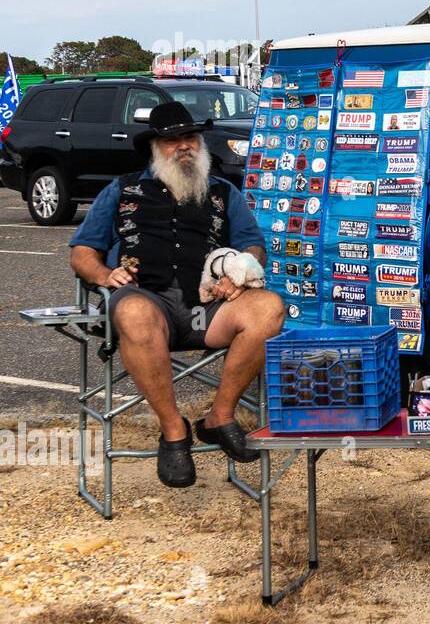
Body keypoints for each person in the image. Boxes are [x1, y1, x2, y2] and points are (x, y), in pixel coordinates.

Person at [69, 102, 284, 488]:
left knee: (268, 308)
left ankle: (220, 416)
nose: (183, 146)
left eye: (190, 138)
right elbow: (83, 251)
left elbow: (253, 245)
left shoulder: (223, 191)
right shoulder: (122, 189)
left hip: (211, 304)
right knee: (135, 313)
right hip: (146, 302)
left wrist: (241, 272)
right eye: (172, 140)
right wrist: (105, 274)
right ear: (156, 147)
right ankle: (174, 432)